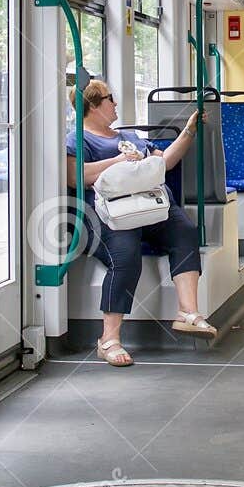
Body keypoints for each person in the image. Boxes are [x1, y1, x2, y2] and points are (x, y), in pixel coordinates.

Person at [67, 79, 214, 367]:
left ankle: (187, 311)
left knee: (183, 229)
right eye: (111, 99)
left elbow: (165, 162)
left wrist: (188, 131)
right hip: (104, 212)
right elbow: (75, 177)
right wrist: (120, 161)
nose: (116, 104)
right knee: (125, 251)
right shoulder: (78, 139)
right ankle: (108, 339)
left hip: (144, 205)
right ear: (94, 106)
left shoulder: (131, 137)